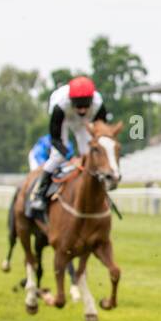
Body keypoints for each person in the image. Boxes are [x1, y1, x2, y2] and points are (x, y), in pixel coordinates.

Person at [27, 76, 109, 216]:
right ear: (72, 101)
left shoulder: (98, 104)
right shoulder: (60, 105)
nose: (82, 110)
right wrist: (70, 157)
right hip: (64, 118)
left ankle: (101, 193)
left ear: (91, 101)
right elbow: (55, 139)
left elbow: (100, 133)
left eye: (85, 105)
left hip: (84, 123)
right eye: (79, 106)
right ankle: (39, 195)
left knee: (88, 153)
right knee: (57, 156)